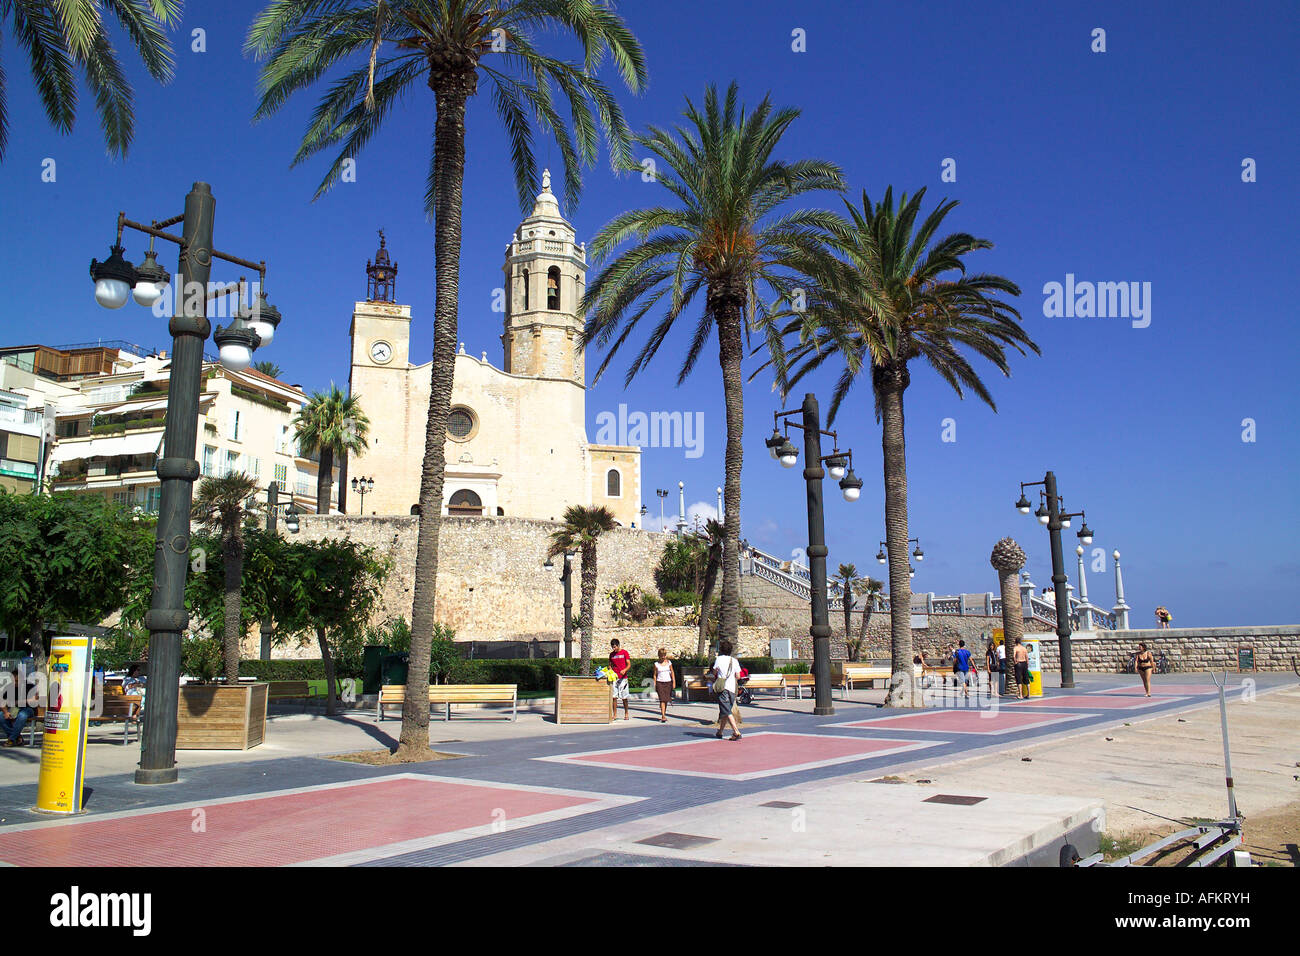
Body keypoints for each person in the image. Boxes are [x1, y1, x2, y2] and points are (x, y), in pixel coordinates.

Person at [707, 639, 742, 741]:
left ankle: (736, 732)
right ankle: (720, 732)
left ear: (721, 650)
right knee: (725, 710)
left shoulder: (719, 659)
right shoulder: (734, 661)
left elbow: (714, 672)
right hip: (732, 688)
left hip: (723, 688)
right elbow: (738, 676)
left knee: (726, 711)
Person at [1, 669, 37, 748]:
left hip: (28, 709)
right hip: (13, 710)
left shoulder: (29, 686)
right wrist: (5, 712)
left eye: (17, 681)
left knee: (22, 715)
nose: (15, 683)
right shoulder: (9, 687)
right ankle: (17, 737)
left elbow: (33, 700)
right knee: (1, 715)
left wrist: (17, 702)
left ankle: (11, 739)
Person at [608, 639, 632, 720]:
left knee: (624, 697)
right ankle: (614, 714)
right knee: (614, 697)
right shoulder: (611, 655)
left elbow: (629, 664)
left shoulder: (624, 653)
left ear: (618, 645)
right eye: (612, 647)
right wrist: (610, 670)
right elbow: (610, 665)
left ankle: (626, 713)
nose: (614, 649)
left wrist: (624, 670)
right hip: (614, 678)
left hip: (623, 678)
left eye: (615, 647)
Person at [652, 648, 675, 723]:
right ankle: (663, 716)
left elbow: (672, 672)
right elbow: (655, 675)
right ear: (659, 655)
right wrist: (655, 684)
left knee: (666, 699)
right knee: (662, 699)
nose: (663, 657)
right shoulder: (656, 664)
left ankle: (664, 713)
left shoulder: (669, 663)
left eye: (664, 655)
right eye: (662, 655)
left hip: (668, 682)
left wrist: (674, 682)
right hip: (660, 683)